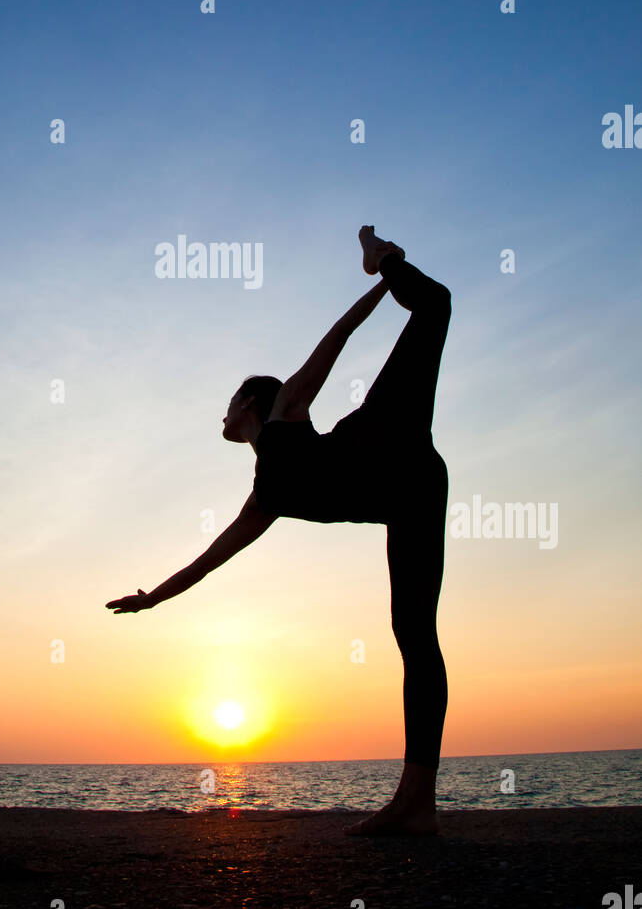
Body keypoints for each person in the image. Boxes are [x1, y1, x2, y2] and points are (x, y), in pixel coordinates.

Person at [107, 226, 452, 835]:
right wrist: (151, 598)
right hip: (415, 492)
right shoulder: (266, 497)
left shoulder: (289, 409)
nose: (223, 411)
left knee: (436, 304)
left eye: (230, 400)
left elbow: (337, 338)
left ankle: (387, 255)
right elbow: (208, 561)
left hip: (386, 434)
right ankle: (417, 803)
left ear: (250, 406)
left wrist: (376, 276)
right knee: (412, 633)